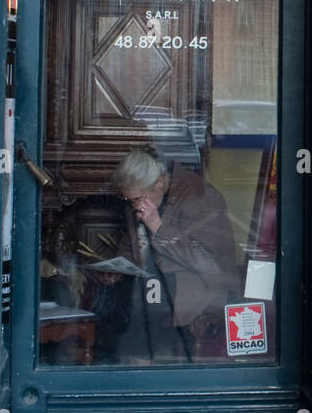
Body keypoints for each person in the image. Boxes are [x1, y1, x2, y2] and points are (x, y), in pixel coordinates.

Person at [103, 146, 242, 361]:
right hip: (154, 283)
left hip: (197, 286)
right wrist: (118, 267)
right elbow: (132, 243)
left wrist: (157, 226)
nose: (135, 206)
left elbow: (207, 263)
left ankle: (142, 366)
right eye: (128, 200)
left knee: (144, 303)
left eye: (137, 199)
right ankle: (131, 363)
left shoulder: (199, 195)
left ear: (159, 182)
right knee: (108, 303)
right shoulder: (140, 198)